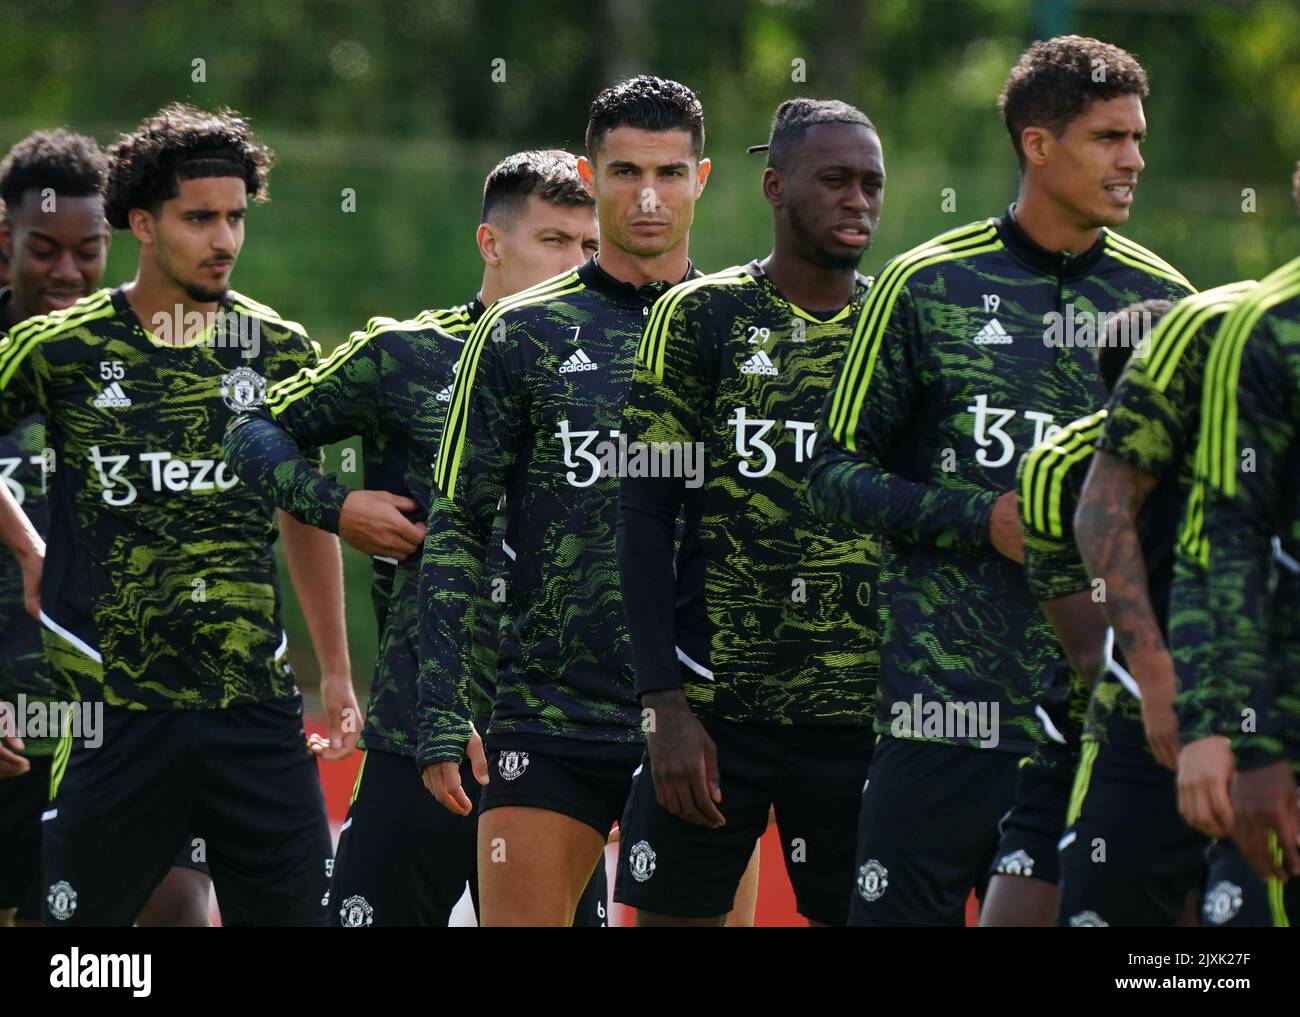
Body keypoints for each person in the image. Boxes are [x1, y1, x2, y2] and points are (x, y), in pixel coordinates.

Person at [809, 35, 1194, 926]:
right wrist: (978, 517)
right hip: (942, 709)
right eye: (1109, 138)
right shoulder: (921, 285)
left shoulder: (1170, 306)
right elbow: (831, 473)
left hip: (1096, 726)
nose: (1134, 160)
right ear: (1037, 144)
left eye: (1138, 138)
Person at [224, 148, 613, 925]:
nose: (577, 263)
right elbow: (251, 431)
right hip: (418, 725)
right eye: (555, 241)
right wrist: (337, 506)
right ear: (491, 244)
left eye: (589, 247)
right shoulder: (405, 354)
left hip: (557, 732)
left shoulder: (616, 361)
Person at [0, 103, 358, 926]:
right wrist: (27, 544)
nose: (224, 238)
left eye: (236, 217)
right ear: (142, 224)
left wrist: (335, 668)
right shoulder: (62, 348)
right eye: (200, 218)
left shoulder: (277, 348)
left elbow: (303, 512)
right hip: (117, 713)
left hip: (254, 712)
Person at [417, 75, 709, 925]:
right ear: (592, 172)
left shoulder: (741, 326)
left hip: (707, 719)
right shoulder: (520, 332)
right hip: (550, 713)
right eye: (624, 172)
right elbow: (457, 525)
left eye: (670, 172)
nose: (648, 196)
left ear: (704, 178)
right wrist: (443, 710)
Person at [612, 98, 882, 927]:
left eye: (872, 184)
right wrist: (664, 704)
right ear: (774, 186)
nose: (857, 201)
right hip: (715, 709)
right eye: (834, 180)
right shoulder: (701, 316)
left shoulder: (896, 322)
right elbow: (644, 511)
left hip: (861, 715)